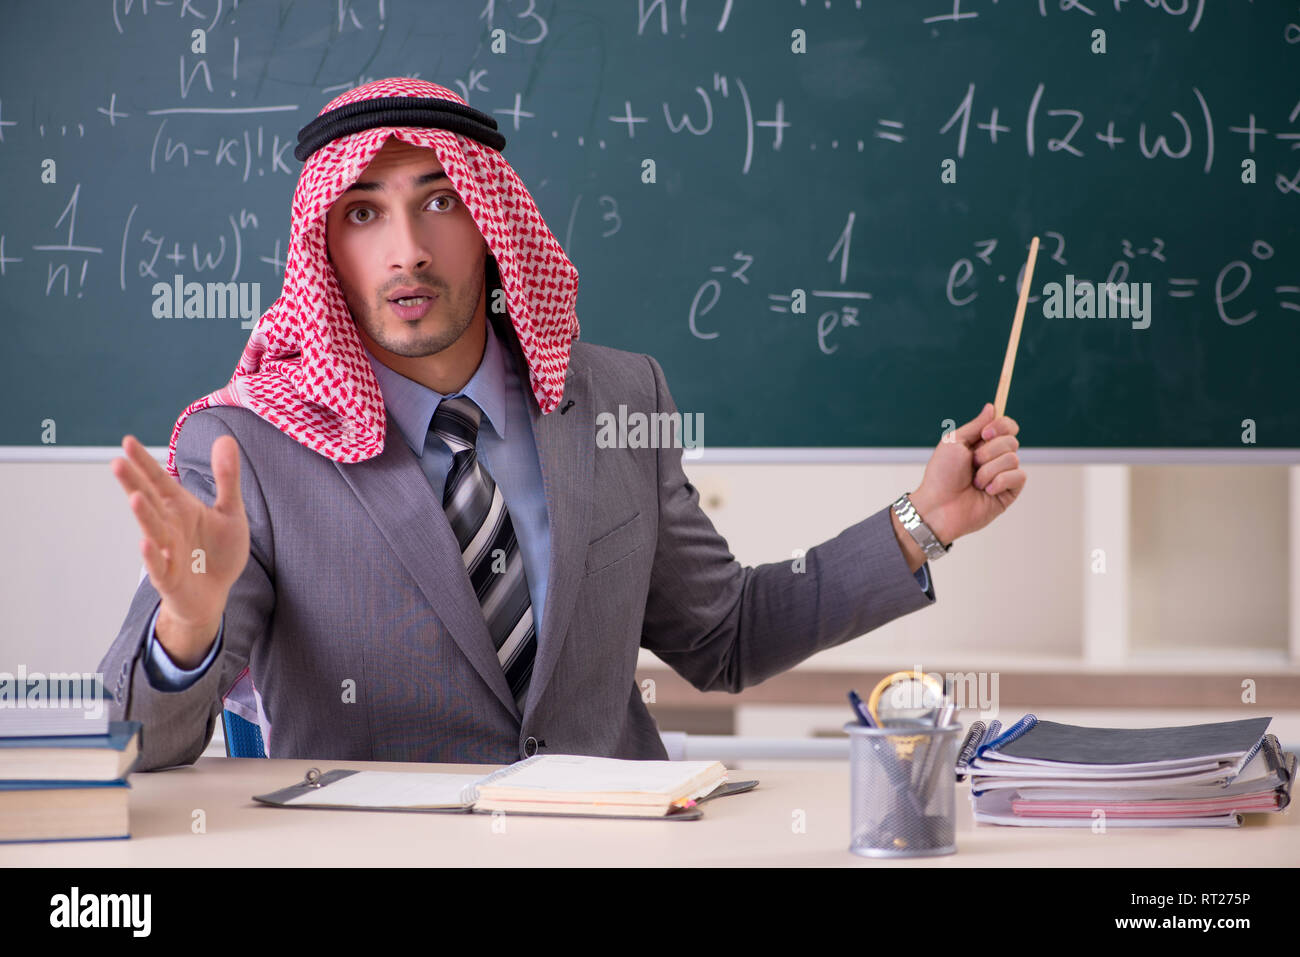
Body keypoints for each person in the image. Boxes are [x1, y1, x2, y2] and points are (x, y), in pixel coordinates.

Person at [100, 79, 1025, 771]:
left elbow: (726, 636)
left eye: (439, 200)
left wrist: (923, 521)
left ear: (493, 222)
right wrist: (188, 617)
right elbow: (136, 747)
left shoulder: (621, 399)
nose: (408, 249)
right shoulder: (246, 448)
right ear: (324, 247)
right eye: (364, 213)